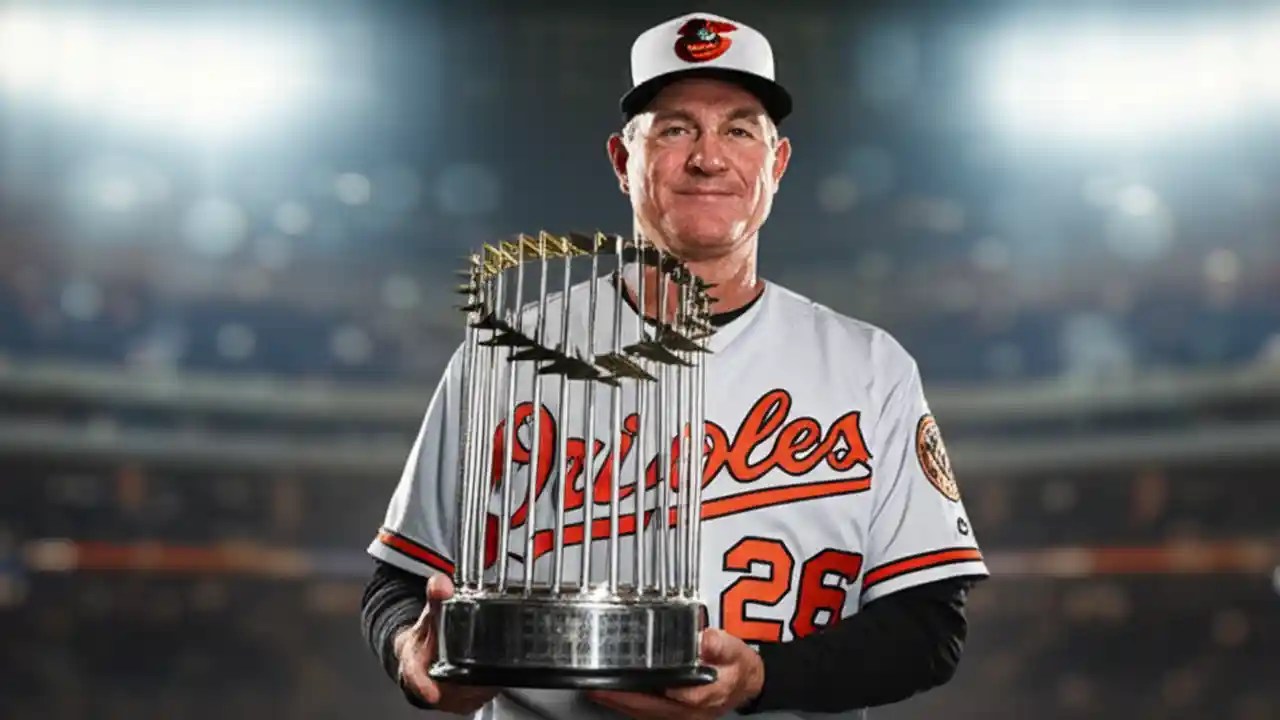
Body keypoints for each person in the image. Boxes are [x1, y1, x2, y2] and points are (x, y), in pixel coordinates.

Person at [361, 11, 988, 719]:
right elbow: (398, 584)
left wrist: (762, 679)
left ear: (775, 166)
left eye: (739, 129)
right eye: (675, 128)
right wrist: (413, 658)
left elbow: (930, 628)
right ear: (622, 160)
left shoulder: (868, 367)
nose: (708, 157)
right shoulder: (505, 353)